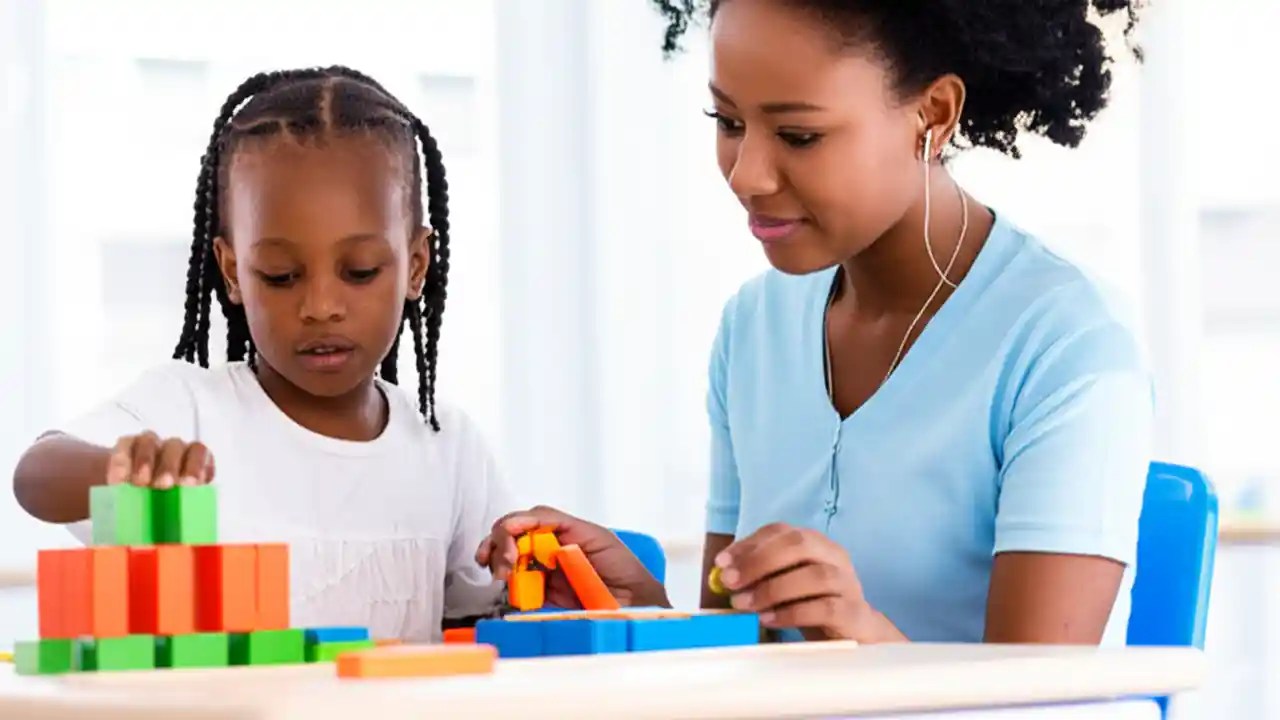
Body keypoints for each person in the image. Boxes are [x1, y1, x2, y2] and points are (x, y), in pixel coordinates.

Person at [480, 0, 1151, 645]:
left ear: (933, 115)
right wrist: (640, 610)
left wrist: (863, 637)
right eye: (728, 120)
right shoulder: (754, 328)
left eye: (799, 135)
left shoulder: (1065, 345)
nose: (747, 175)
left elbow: (1038, 696)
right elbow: (741, 652)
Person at [12, 66, 510, 642]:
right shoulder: (191, 411)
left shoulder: (447, 446)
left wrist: (523, 563)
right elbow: (36, 475)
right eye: (280, 276)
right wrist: (118, 469)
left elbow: (481, 621)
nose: (321, 306)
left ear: (416, 266)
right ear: (232, 272)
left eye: (361, 271)